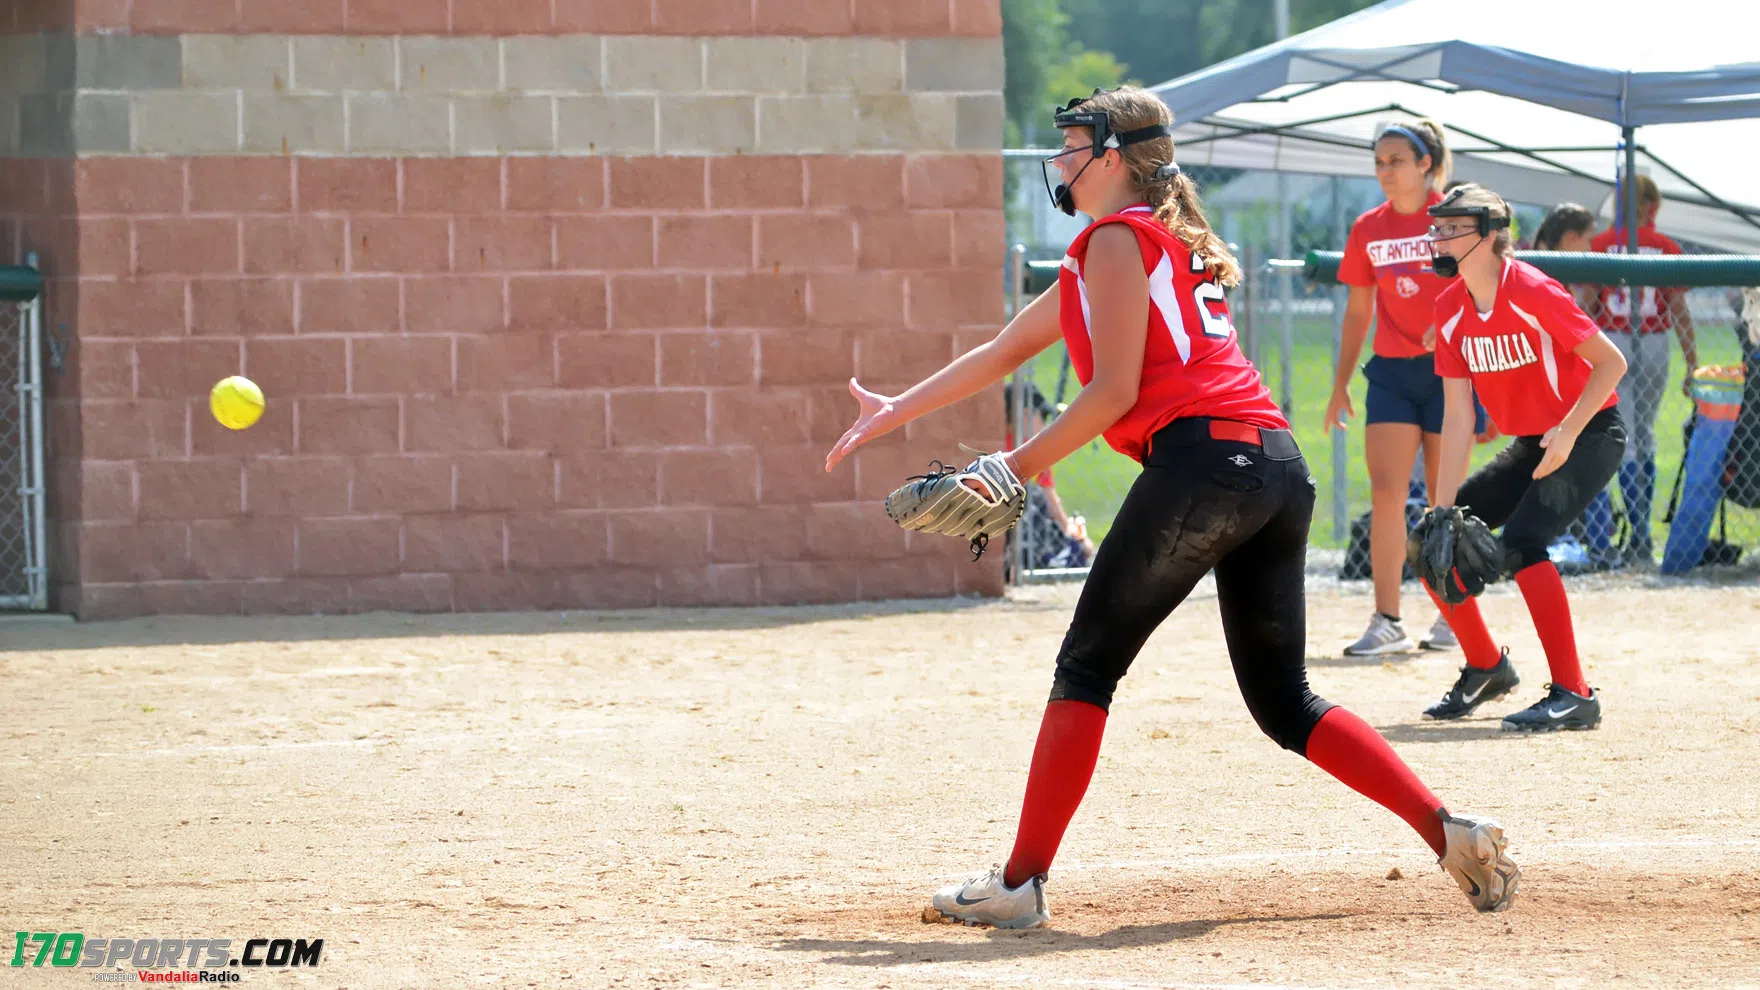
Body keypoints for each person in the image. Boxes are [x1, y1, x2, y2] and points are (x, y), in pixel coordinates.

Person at [823, 87, 1518, 926]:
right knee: (1284, 701)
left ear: (1113, 158)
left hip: (1207, 464)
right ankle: (1446, 830)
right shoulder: (1144, 238)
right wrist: (897, 408)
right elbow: (1007, 347)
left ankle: (1018, 884)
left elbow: (1114, 391)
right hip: (1272, 465)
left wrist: (1015, 465)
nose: (1062, 160)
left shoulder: (1114, 240)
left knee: (1086, 667)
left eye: (1075, 145)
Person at [1419, 184, 1627, 730]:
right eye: (1436, 227)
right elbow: (1458, 417)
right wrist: (1441, 511)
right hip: (1534, 442)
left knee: (1523, 543)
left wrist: (1566, 433)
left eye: (1451, 228)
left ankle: (1575, 693)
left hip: (1591, 430)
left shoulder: (1530, 289)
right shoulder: (1447, 310)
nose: (1437, 236)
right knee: (1428, 544)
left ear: (1488, 234)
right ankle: (1487, 668)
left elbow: (1611, 364)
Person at [1326, 120, 1486, 657]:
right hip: (1392, 371)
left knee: (1446, 501)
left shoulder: (1455, 218)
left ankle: (1451, 616)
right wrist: (1340, 384)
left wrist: (1449, 327)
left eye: (1396, 160)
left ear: (1426, 164)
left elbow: (1486, 286)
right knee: (1388, 495)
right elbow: (1358, 311)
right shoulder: (1368, 227)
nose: (1385, 171)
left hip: (1450, 371)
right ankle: (1387, 619)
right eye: (1379, 161)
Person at [1590, 175, 1696, 564]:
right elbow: (1679, 311)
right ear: (1651, 207)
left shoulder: (1601, 244)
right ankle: (1641, 534)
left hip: (1611, 340)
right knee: (1644, 435)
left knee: (1628, 438)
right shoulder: (1664, 246)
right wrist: (1692, 361)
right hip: (1654, 343)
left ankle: (1638, 533)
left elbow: (1587, 304)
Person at [1532, 203, 1619, 566]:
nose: (1591, 246)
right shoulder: (1539, 273)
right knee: (1570, 462)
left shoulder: (1545, 270)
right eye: (1586, 238)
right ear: (1569, 239)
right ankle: (1582, 541)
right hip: (1547, 389)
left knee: (1581, 460)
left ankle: (1590, 541)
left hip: (1559, 387)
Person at [1006, 383, 1097, 570]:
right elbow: (1052, 502)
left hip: (1000, 531)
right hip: (1021, 536)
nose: (1045, 423)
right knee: (1036, 496)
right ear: (1025, 414)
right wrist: (1077, 537)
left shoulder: (995, 439)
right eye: (1043, 416)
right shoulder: (1032, 449)